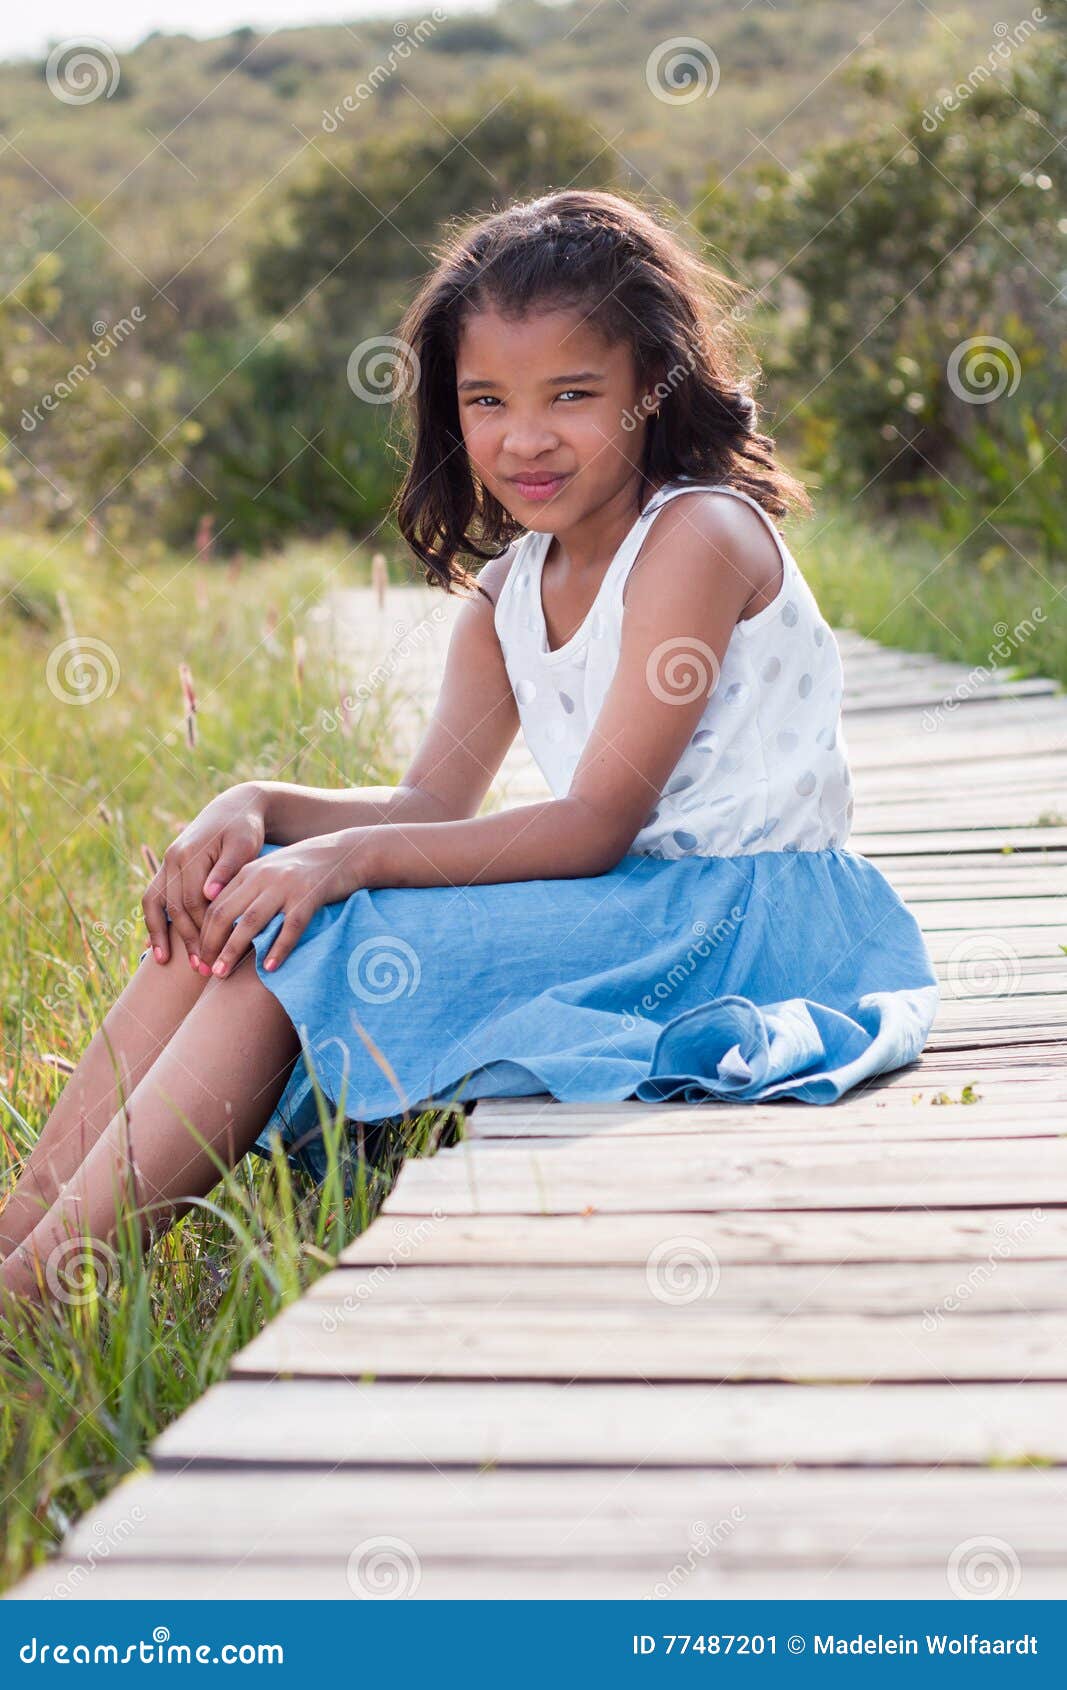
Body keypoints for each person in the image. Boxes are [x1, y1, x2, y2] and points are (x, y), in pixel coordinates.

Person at [0, 189, 939, 1308]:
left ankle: (45, 1290)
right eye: (485, 399)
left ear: (652, 387)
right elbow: (432, 802)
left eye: (571, 396)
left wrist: (336, 863)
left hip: (742, 926)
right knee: (226, 903)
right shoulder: (506, 592)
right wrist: (261, 806)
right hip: (634, 907)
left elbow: (594, 825)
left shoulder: (695, 537)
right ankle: (20, 1226)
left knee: (308, 934)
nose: (521, 438)